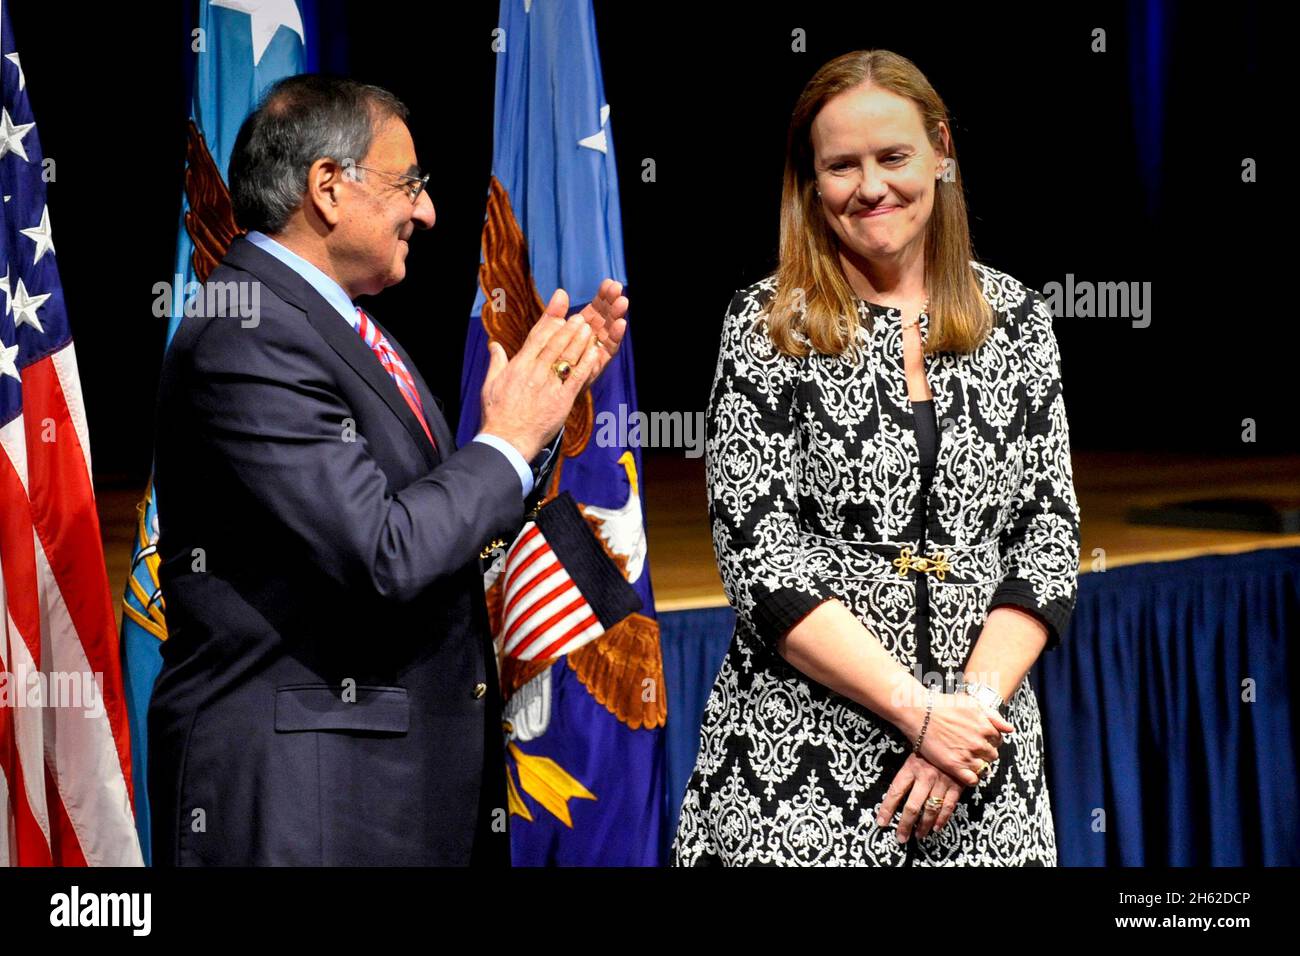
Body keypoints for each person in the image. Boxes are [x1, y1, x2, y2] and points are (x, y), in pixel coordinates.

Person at [148, 75, 627, 866]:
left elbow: (428, 518)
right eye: (409, 184)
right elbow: (385, 552)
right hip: (308, 804)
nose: (428, 211)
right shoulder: (249, 334)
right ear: (329, 189)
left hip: (390, 792)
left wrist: (532, 428)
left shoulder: (340, 325)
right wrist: (502, 445)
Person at [672, 50, 1082, 866]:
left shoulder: (1021, 319)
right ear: (810, 181)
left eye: (893, 157)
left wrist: (959, 715)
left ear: (941, 152)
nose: (871, 187)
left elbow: (1049, 537)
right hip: (799, 775)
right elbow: (762, 560)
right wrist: (914, 711)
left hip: (979, 767)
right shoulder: (767, 324)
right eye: (841, 166)